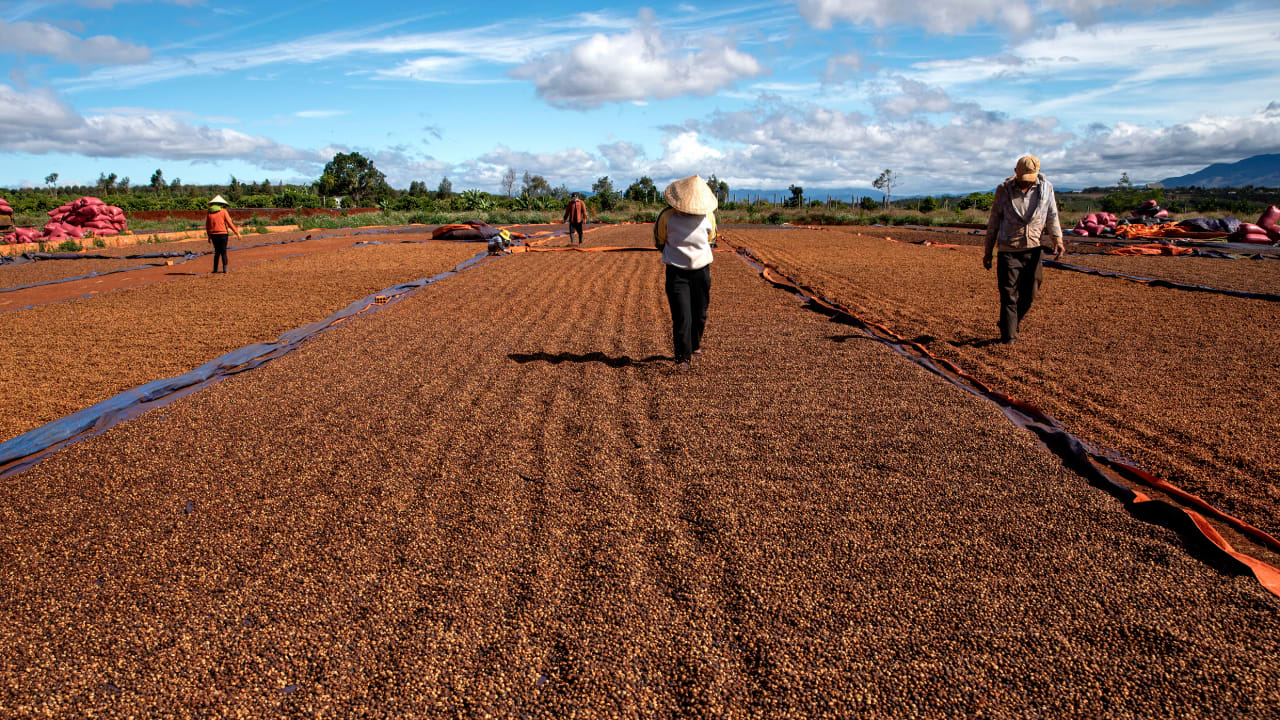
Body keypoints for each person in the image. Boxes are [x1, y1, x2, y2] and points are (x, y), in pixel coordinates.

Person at [982, 155, 1064, 343]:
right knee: (1008, 295)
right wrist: (988, 251)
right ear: (1015, 173)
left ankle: (1008, 322)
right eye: (1023, 179)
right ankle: (1009, 336)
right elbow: (994, 221)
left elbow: (1052, 215)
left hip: (1033, 249)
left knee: (1030, 293)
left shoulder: (1046, 189)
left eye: (1029, 179)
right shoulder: (1003, 190)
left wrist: (1057, 239)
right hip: (1008, 250)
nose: (1025, 183)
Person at [654, 175, 718, 370]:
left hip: (701, 271)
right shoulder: (667, 216)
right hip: (677, 272)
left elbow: (711, 239)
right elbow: (660, 240)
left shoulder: (708, 216)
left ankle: (695, 345)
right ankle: (683, 356)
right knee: (682, 315)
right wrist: (677, 255)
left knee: (700, 313)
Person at [205, 195, 242, 274]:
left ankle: (215, 269)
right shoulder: (223, 211)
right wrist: (237, 233)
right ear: (220, 204)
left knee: (217, 252)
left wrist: (209, 236)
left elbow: (207, 226)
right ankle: (225, 269)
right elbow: (229, 223)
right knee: (223, 251)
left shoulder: (209, 212)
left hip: (214, 235)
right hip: (223, 234)